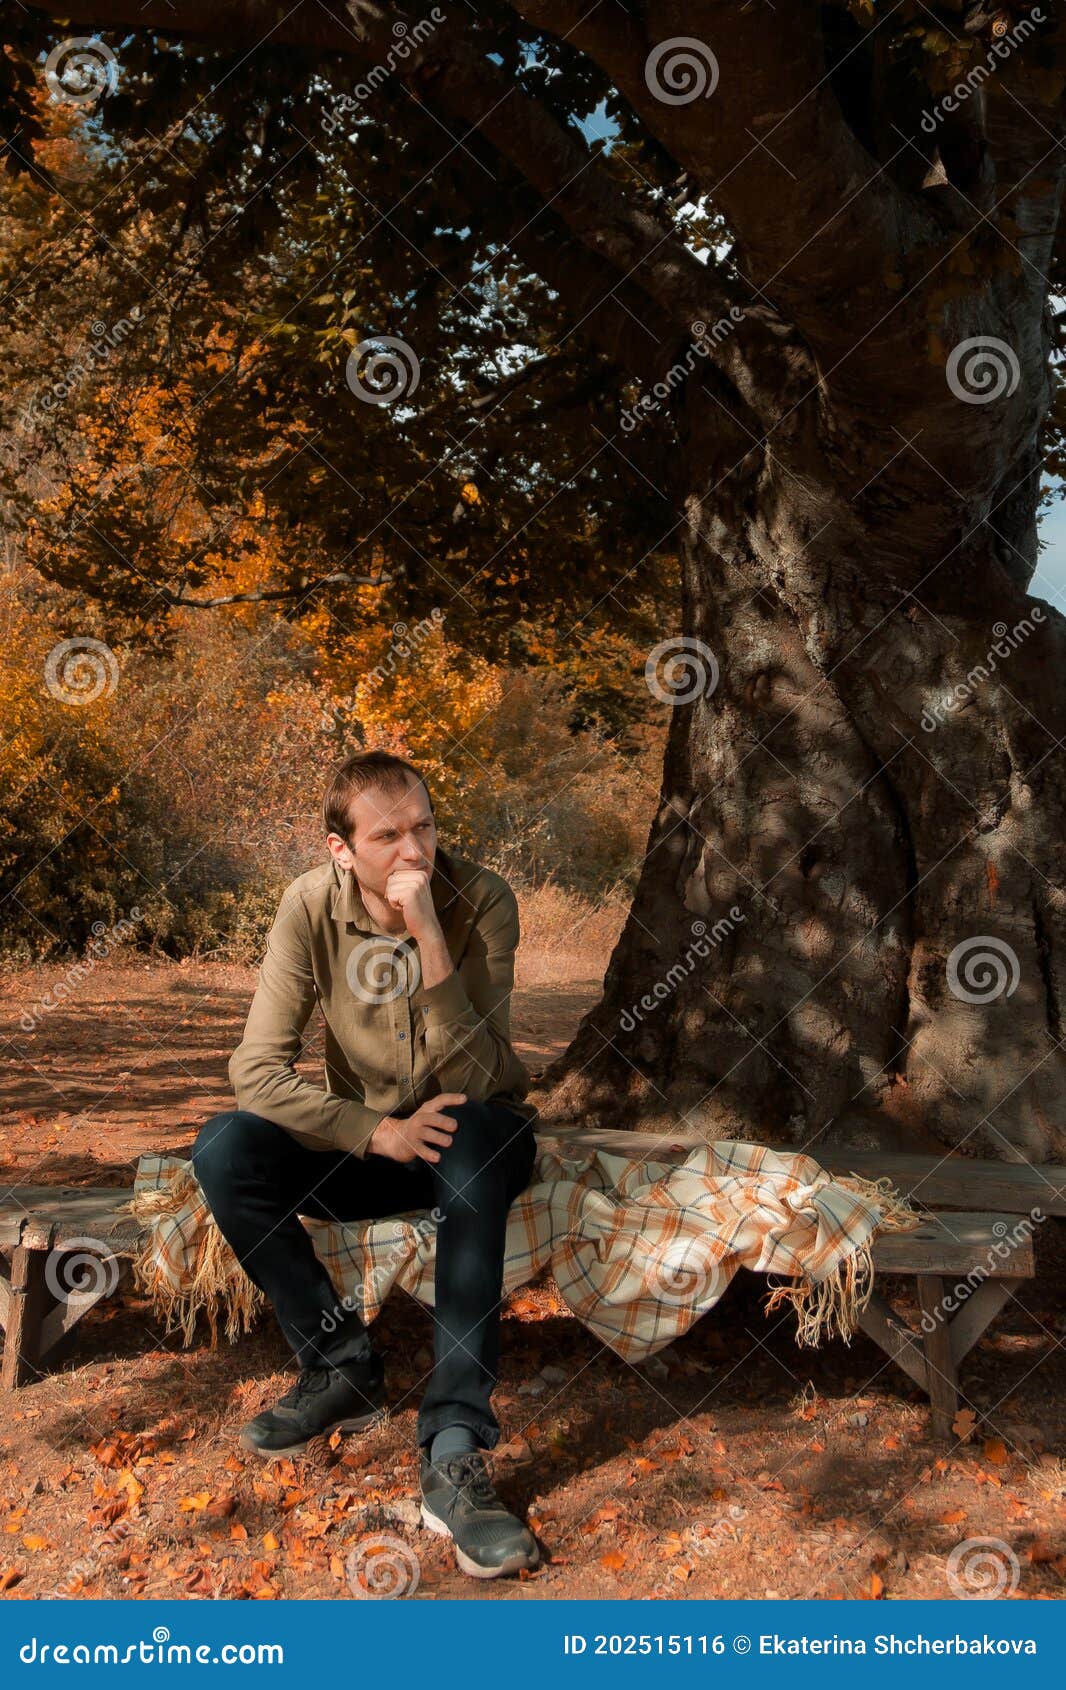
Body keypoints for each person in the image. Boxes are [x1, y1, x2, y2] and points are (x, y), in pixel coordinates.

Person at [192, 749, 541, 1580]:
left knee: (471, 1131)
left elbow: (485, 1077)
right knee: (225, 1145)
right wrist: (370, 1131)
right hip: (374, 1144)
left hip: (479, 1141)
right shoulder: (308, 907)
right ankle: (339, 1363)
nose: (414, 851)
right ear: (340, 850)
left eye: (423, 826)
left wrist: (429, 940)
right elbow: (256, 1072)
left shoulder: (481, 899)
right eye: (388, 836)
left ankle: (454, 1449)